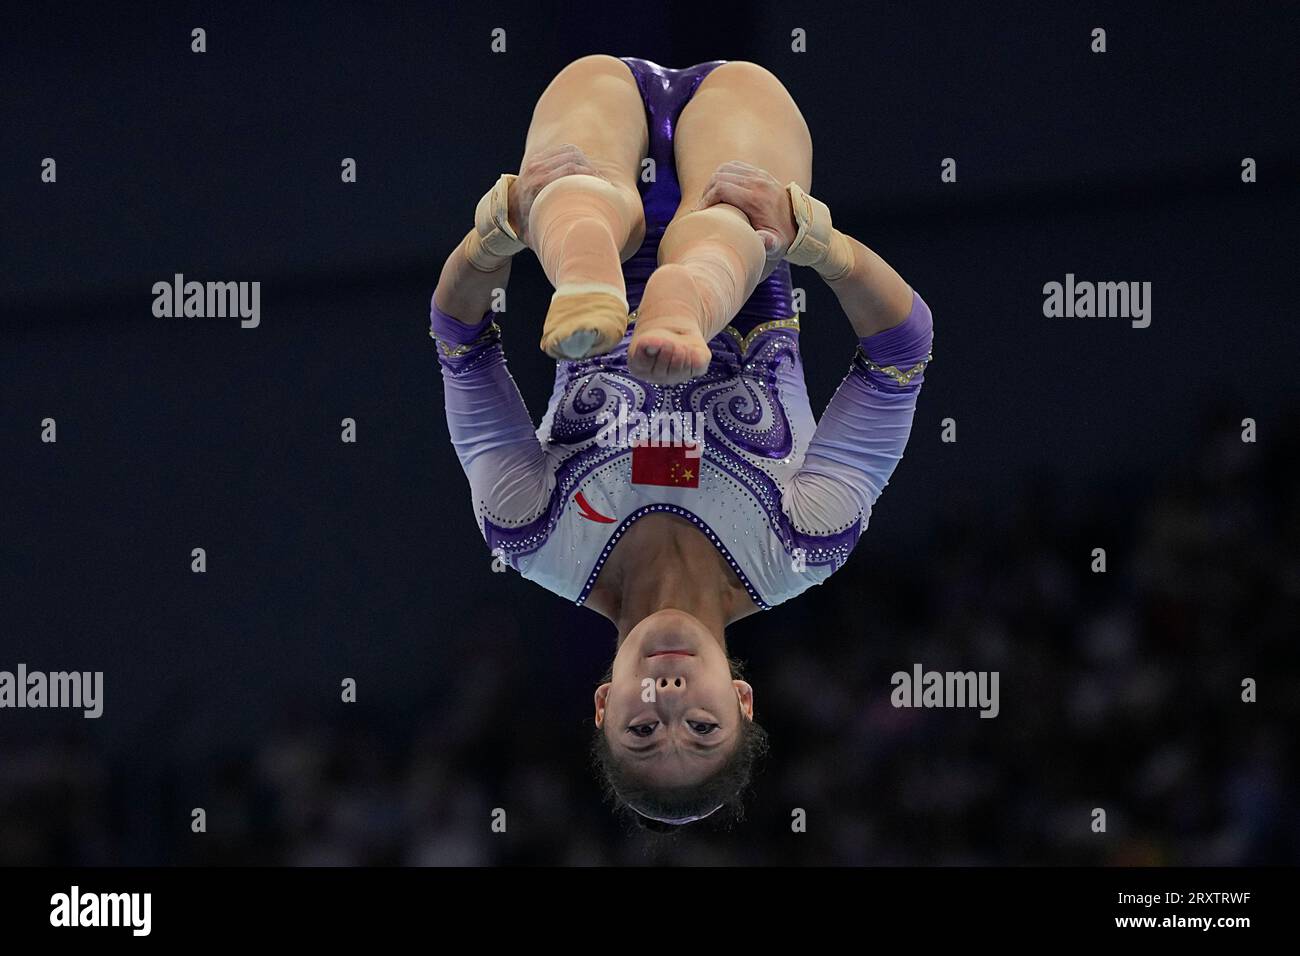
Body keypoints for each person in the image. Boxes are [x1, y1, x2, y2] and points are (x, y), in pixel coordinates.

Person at [430, 55, 934, 826]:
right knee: (726, 234)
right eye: (701, 727)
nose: (668, 701)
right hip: (746, 203)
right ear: (741, 698)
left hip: (592, 175)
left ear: (603, 704)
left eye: (642, 729)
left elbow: (461, 339)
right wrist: (821, 243)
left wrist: (497, 229)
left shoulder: (531, 532)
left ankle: (586, 250)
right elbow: (901, 353)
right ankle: (685, 296)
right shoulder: (803, 540)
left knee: (576, 198)